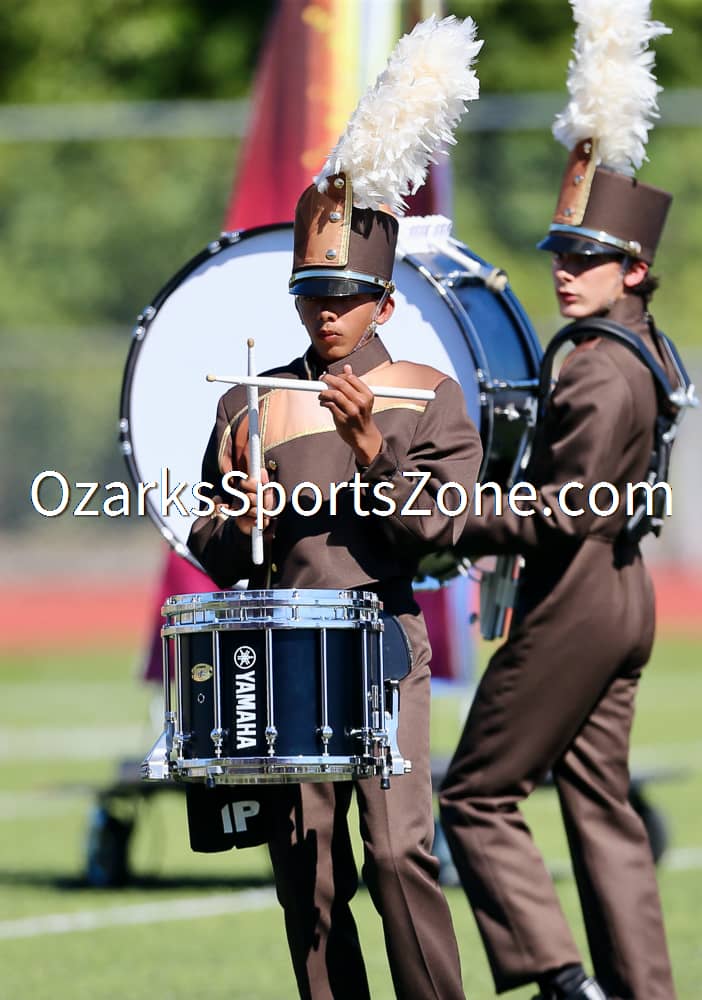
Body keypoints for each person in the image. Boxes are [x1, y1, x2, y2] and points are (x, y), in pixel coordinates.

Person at [188, 18, 484, 996]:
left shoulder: (427, 395)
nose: (327, 309)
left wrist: (371, 455)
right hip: (284, 652)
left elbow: (443, 533)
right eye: (312, 290)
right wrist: (245, 522)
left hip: (384, 643)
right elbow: (207, 535)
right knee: (309, 874)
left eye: (348, 293)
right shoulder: (250, 397)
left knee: (399, 854)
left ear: (385, 303)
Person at [438, 4, 684, 998]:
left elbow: (566, 508)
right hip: (626, 591)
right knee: (599, 803)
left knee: (476, 793)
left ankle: (562, 982)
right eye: (560, 251)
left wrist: (453, 516)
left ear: (635, 268)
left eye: (587, 258)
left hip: (577, 593)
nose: (564, 270)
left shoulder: (594, 365)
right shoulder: (645, 348)